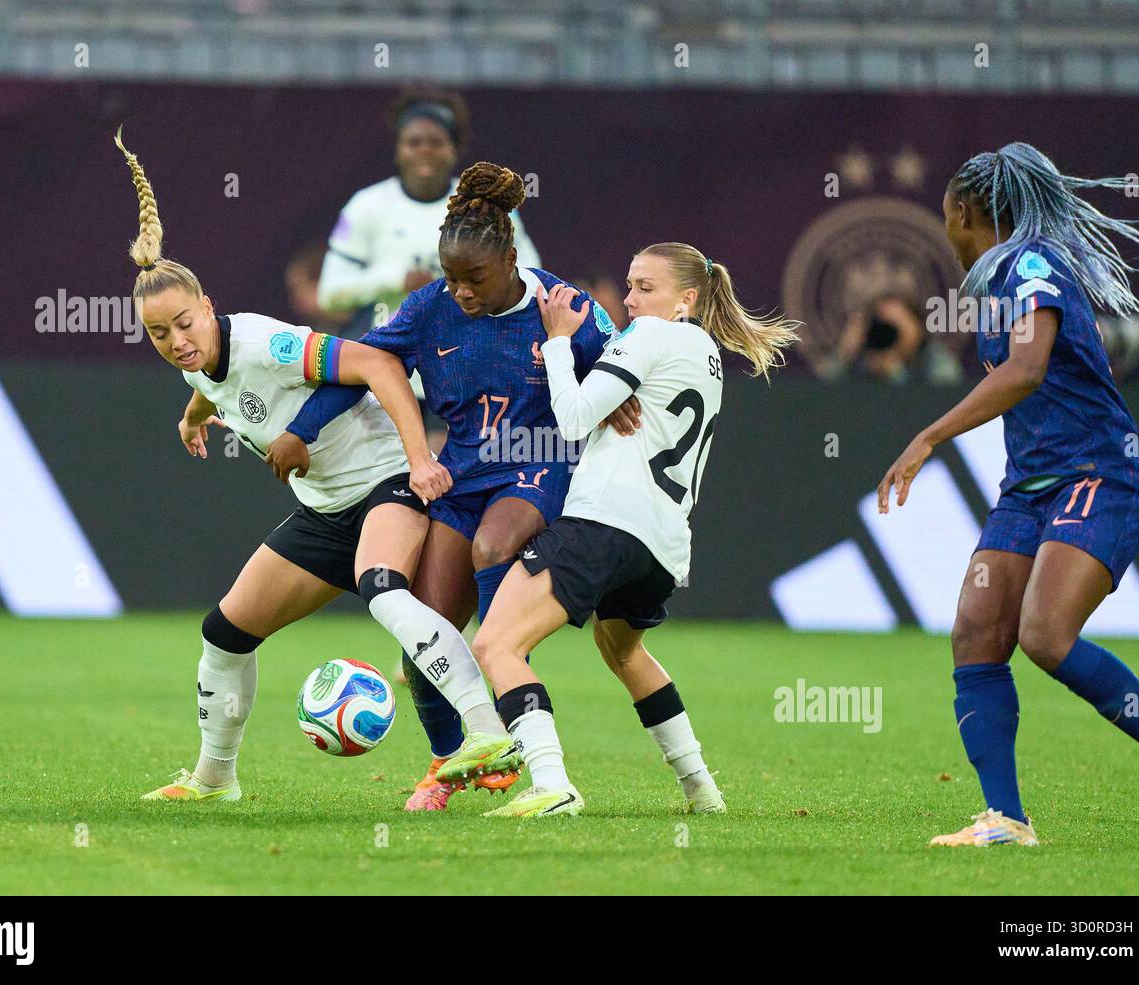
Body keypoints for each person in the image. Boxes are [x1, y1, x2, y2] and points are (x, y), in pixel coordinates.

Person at [111, 128, 517, 804]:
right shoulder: (206, 363)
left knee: (383, 587)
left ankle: (485, 731)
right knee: (225, 633)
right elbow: (211, 382)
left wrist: (420, 461)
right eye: (158, 333)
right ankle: (214, 780)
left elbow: (374, 361)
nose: (177, 341)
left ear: (208, 307)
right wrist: (191, 418)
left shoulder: (267, 342)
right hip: (328, 509)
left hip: (388, 481)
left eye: (185, 323)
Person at [274, 161, 630, 811]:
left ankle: (502, 709)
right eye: (451, 278)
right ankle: (448, 765)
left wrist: (621, 394)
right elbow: (366, 364)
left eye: (475, 279)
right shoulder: (430, 307)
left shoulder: (560, 305)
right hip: (462, 470)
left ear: (512, 259)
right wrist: (303, 428)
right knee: (423, 641)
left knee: (493, 548)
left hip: (539, 462)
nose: (461, 293)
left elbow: (624, 360)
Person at [877, 142, 1139, 847]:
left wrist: (929, 435)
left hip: (1100, 474)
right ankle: (1006, 818)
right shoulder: (998, 281)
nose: (946, 232)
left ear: (965, 213)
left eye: (946, 218)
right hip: (1030, 488)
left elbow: (1024, 369)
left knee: (1045, 635)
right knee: (977, 630)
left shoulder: (1031, 264)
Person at [431, 243, 798, 817]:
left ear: (688, 298)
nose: (629, 299)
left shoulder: (649, 337)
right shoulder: (707, 357)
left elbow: (574, 418)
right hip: (662, 544)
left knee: (496, 644)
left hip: (605, 522)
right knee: (623, 650)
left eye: (645, 287)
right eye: (629, 285)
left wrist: (555, 340)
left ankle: (552, 784)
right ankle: (702, 788)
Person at [314, 90, 539, 335]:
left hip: (474, 351)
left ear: (454, 149)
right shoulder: (367, 205)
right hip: (394, 355)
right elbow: (329, 293)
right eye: (413, 143)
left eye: (436, 143)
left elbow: (531, 277)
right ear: (398, 150)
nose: (424, 151)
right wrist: (396, 279)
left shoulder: (486, 203)